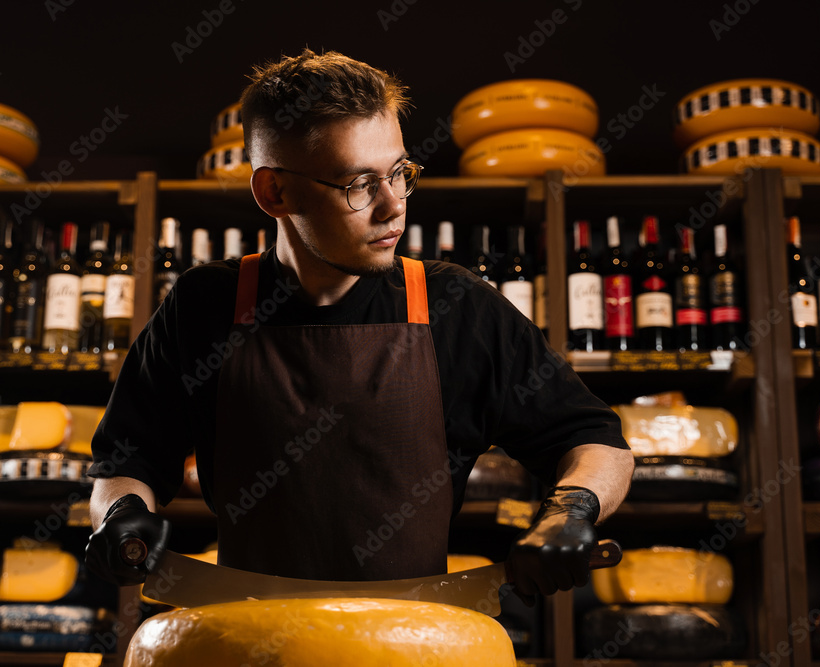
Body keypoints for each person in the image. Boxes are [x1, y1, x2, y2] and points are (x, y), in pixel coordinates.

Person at [84, 49, 633, 605]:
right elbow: (128, 459)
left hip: (414, 645)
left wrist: (572, 510)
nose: (394, 206)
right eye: (358, 184)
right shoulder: (204, 307)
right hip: (249, 639)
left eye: (400, 173)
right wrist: (123, 514)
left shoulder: (458, 307)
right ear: (274, 192)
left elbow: (595, 441)